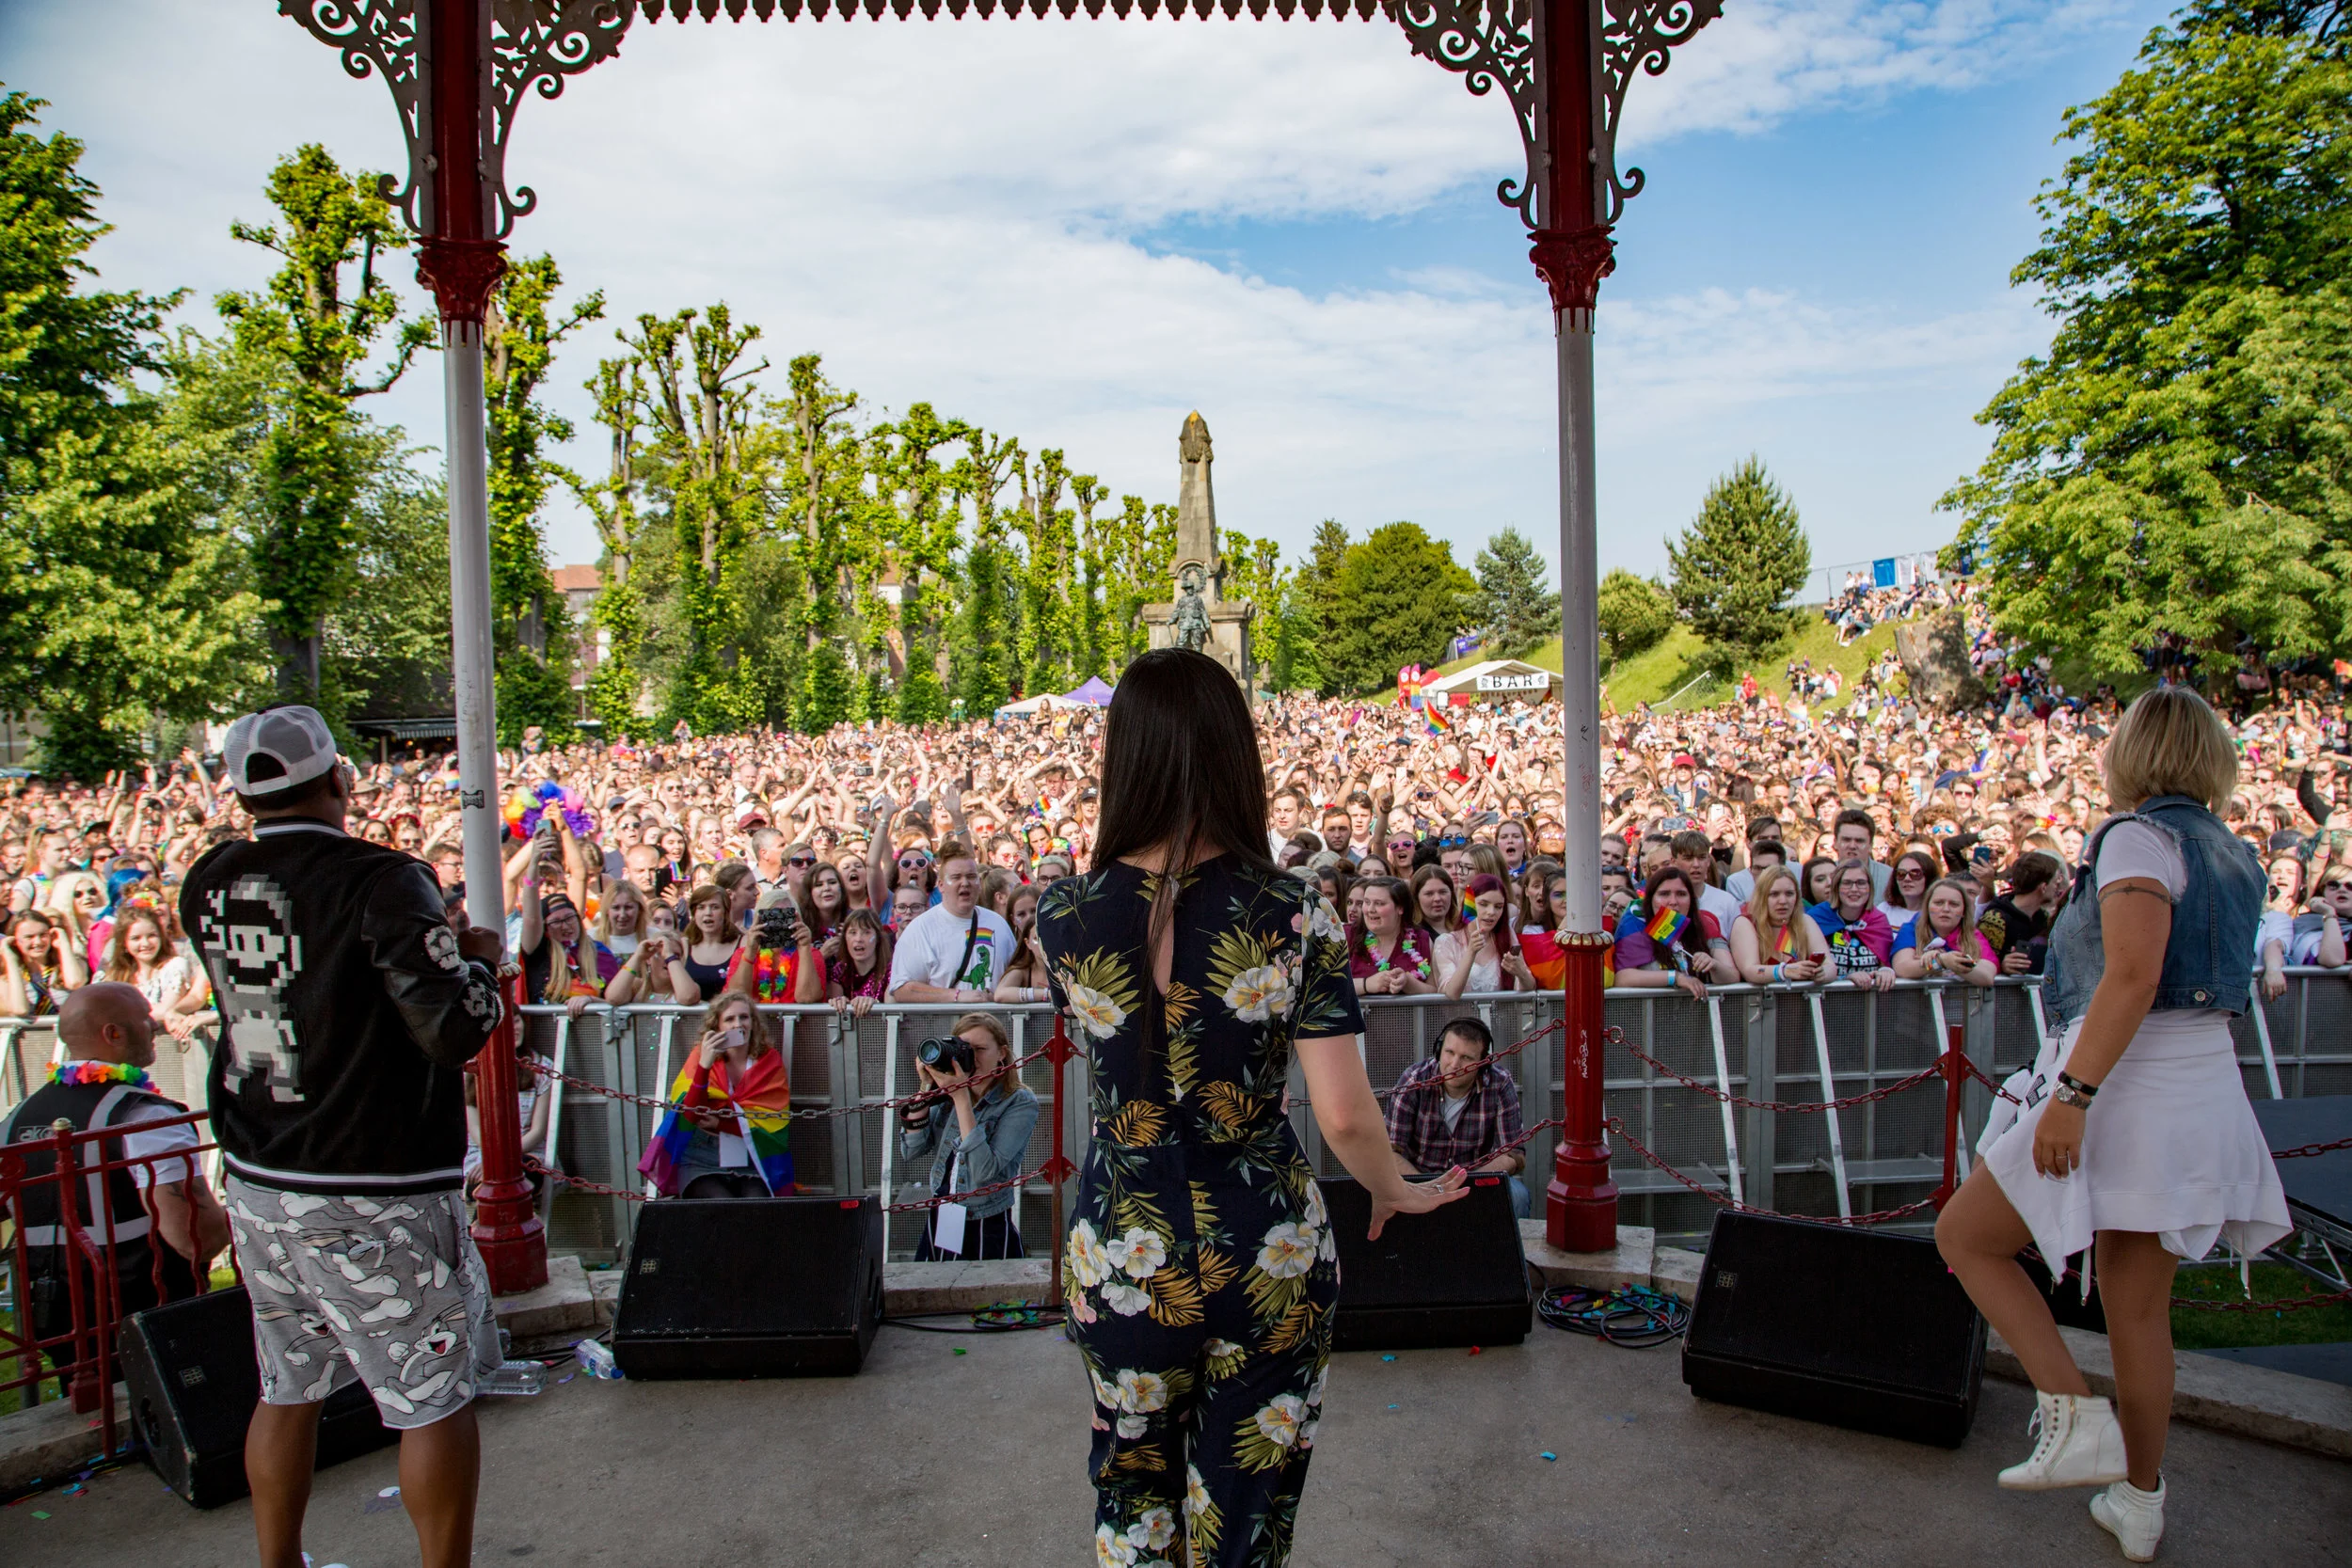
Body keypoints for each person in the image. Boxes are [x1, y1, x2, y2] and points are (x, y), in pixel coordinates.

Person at [1034, 648, 1467, 1568]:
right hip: (1264, 1240)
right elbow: (1343, 1114)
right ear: (1235, 754)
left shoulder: (1064, 910)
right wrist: (1395, 1188)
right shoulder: (1293, 909)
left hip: (1122, 1241)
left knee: (1132, 1491)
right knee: (1246, 1512)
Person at [1936, 687, 2289, 1562]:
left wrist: (2073, 1098)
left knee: (1967, 1237)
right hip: (2200, 1083)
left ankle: (2072, 1413)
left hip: (2131, 1082)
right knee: (2141, 1309)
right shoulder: (2237, 852)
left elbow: (2131, 976)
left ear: (2134, 751)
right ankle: (2140, 1499)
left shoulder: (2138, 835)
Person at [181, 705, 506, 1568]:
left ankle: (278, 1560)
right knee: (431, 1397)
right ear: (339, 779)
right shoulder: (380, 879)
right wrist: (480, 963)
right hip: (372, 1185)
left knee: (286, 1386)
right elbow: (454, 1029)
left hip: (259, 1176)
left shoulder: (208, 877)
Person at [3, 983, 230, 1387]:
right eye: (145, 1018)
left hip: (54, 1318)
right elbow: (195, 1239)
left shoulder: (17, 1117)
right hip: (147, 1312)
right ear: (113, 1033)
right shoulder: (145, 1116)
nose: (155, 1026)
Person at [897, 1011, 1040, 1259]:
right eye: (964, 1048)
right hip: (945, 1211)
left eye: (981, 1048)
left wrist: (961, 1097)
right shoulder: (948, 1093)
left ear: (1001, 1054)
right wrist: (925, 1087)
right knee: (941, 1288)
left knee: (986, 1295)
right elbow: (912, 1149)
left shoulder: (1019, 1102)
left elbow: (983, 1171)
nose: (972, 1057)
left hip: (985, 1218)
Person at [639, 992, 796, 1198]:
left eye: (744, 1017)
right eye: (729, 1019)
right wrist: (705, 1064)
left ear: (753, 1022)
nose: (738, 1024)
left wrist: (720, 1124)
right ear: (717, 1027)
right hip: (701, 1157)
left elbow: (773, 1122)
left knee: (756, 1206)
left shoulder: (769, 1059)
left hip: (752, 1157)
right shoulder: (701, 1054)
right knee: (721, 1204)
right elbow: (689, 1114)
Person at [1385, 1016, 1529, 1217]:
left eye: (1466, 1058)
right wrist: (1426, 1191)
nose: (1454, 1064)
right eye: (1449, 1053)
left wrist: (1466, 1183)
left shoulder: (1500, 1083)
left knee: (1518, 1196)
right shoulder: (1414, 1079)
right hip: (1420, 1180)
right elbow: (1389, 1152)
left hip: (1475, 1180)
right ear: (1438, 1051)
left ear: (1483, 1063)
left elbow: (1514, 1155)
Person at [886, 839, 1013, 1005]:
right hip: (944, 1029)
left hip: (995, 1024)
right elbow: (901, 989)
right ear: (941, 885)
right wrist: (956, 996)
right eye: (956, 877)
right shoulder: (920, 929)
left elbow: (1017, 974)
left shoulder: (998, 924)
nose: (965, 883)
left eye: (971, 877)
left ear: (979, 884)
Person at [1612, 866, 1728, 1000]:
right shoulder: (1635, 926)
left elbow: (1731, 976)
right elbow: (1622, 978)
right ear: (1650, 899)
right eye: (1664, 894)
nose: (1673, 902)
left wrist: (1714, 965)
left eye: (1681, 894)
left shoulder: (1705, 924)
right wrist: (1676, 978)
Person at [1436, 872, 1536, 998]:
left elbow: (1529, 987)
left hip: (1502, 1016)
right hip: (1462, 1017)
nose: (1491, 912)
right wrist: (1471, 952)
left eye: (1498, 907)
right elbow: (1452, 993)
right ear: (1469, 904)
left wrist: (1521, 974)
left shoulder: (1507, 935)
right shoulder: (1447, 942)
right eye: (1483, 904)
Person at [1728, 864, 1829, 986]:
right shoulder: (1746, 922)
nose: (1783, 901)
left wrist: (1822, 973)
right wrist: (1784, 971)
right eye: (1774, 894)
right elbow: (1750, 971)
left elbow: (1830, 966)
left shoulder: (1805, 921)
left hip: (1799, 1002)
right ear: (1762, 896)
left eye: (1789, 894)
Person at [1807, 859, 1898, 990]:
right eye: (1847, 883)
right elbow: (1807, 966)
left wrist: (1886, 972)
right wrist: (1845, 979)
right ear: (1836, 887)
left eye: (1861, 883)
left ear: (1869, 888)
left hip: (1869, 1001)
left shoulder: (1879, 921)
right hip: (1827, 999)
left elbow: (1886, 963)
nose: (1854, 889)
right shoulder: (1816, 917)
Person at [1891, 877, 1998, 987]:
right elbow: (1902, 967)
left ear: (1963, 911)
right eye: (1939, 903)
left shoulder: (1972, 934)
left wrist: (1953, 964)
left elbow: (1987, 976)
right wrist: (1940, 962)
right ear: (1927, 907)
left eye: (1954, 904)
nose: (1946, 909)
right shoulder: (1911, 929)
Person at [1979, 852, 2066, 976]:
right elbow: (1978, 961)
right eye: (2056, 883)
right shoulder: (1996, 918)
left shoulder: (2042, 917)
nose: (2058, 888)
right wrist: (2002, 966)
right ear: (2043, 887)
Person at [1348, 877, 1436, 996]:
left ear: (1400, 908)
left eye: (1379, 903)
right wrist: (1366, 984)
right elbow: (1326, 986)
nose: (1370, 910)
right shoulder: (1347, 935)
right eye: (1367, 902)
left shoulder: (1421, 939)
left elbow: (1435, 992)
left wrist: (1409, 983)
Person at [824, 908, 895, 1014]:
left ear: (878, 938)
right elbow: (837, 1015)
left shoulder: (892, 970)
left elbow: (892, 1011)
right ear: (845, 939)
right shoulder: (839, 970)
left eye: (866, 932)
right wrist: (839, 1002)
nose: (858, 939)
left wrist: (875, 1005)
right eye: (853, 932)